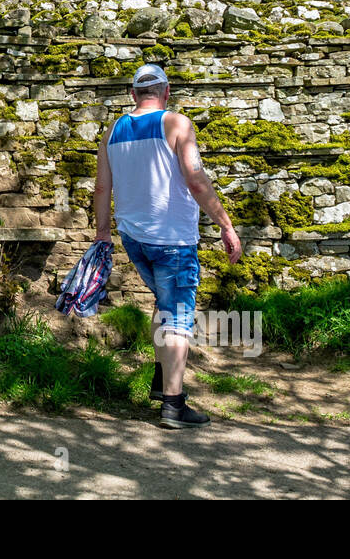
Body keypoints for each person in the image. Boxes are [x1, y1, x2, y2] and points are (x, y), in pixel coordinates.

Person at [92, 63, 243, 429]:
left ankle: (163, 381)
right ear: (166, 91)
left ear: (133, 94)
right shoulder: (176, 123)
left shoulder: (114, 130)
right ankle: (174, 405)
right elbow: (194, 178)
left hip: (133, 237)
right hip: (173, 238)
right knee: (177, 317)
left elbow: (101, 188)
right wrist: (226, 225)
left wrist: (102, 234)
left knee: (164, 305)